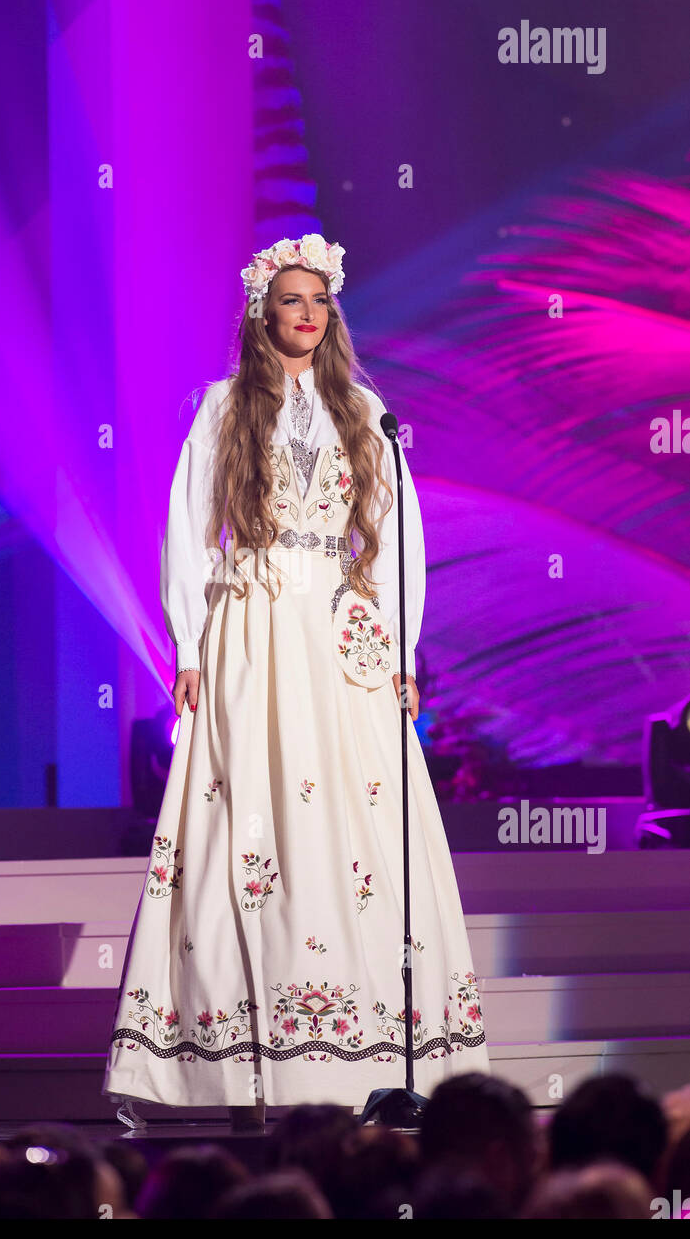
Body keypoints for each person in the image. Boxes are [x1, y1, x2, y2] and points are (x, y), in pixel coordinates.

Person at [102, 234, 489, 1130]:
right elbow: (189, 530)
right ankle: (235, 1054)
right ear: (261, 313)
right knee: (252, 815)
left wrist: (401, 650)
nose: (306, 314)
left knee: (364, 816)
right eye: (290, 301)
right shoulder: (223, 407)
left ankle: (377, 1048)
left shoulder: (365, 408)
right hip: (256, 620)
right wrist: (190, 647)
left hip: (342, 629)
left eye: (319, 301)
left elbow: (398, 542)